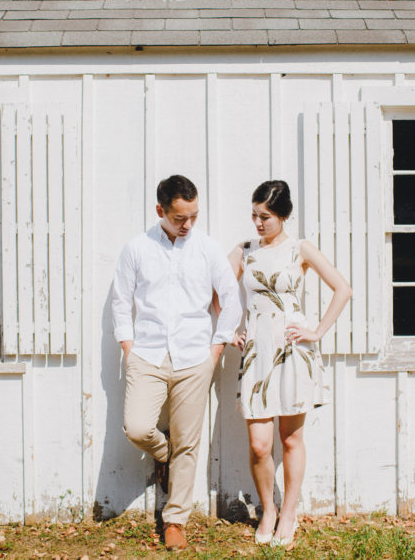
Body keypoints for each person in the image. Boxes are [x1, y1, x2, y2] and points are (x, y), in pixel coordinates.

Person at [111, 174, 242, 551]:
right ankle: (162, 452)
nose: (188, 225)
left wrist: (215, 349)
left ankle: (175, 521)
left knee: (189, 441)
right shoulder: (136, 248)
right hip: (148, 355)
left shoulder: (207, 249)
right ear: (160, 211)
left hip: (194, 356)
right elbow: (121, 302)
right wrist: (128, 349)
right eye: (180, 218)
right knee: (137, 427)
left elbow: (229, 299)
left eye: (194, 217)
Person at [228, 180, 352, 547]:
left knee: (291, 438)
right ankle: (268, 508)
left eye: (265, 216)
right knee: (260, 445)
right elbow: (215, 291)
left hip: (293, 352)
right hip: (256, 356)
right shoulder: (244, 251)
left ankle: (290, 512)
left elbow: (342, 289)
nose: (258, 223)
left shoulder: (301, 249)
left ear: (283, 215)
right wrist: (229, 330)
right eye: (254, 214)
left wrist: (316, 331)